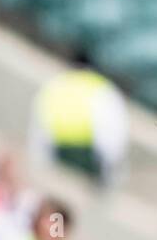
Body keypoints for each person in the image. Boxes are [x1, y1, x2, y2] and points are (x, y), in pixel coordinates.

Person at [29, 53, 128, 185]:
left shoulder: (56, 84)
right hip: (87, 158)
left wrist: (39, 161)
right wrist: (109, 172)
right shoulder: (103, 89)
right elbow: (112, 134)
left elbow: (40, 126)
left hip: (58, 153)